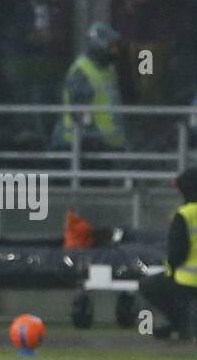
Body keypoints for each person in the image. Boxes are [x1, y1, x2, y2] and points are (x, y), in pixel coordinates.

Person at [139, 168, 197, 341]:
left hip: (187, 279)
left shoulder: (185, 214)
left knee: (149, 286)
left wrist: (171, 268)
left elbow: (177, 251)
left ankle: (182, 326)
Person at [52, 22, 128, 152]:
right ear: (99, 45)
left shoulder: (108, 69)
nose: (115, 51)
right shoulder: (82, 71)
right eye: (111, 47)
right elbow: (80, 111)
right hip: (80, 146)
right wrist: (90, 138)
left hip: (105, 144)